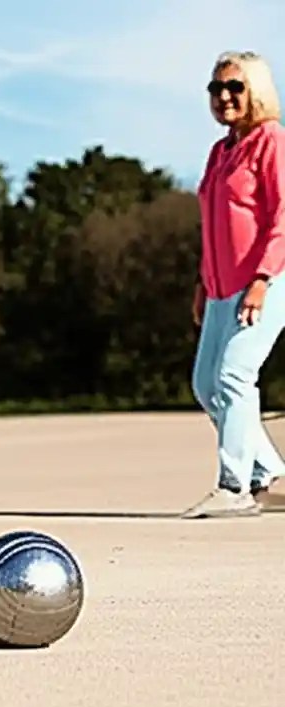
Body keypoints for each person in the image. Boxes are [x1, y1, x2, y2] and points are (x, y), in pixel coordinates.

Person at [183, 51, 285, 519]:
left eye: (235, 88)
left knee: (235, 376)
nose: (224, 97)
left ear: (256, 91)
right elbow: (214, 223)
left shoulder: (271, 141)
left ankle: (234, 486)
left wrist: (263, 278)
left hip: (269, 280)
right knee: (207, 385)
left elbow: (283, 216)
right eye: (216, 88)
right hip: (222, 287)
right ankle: (268, 474)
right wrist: (204, 282)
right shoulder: (220, 151)